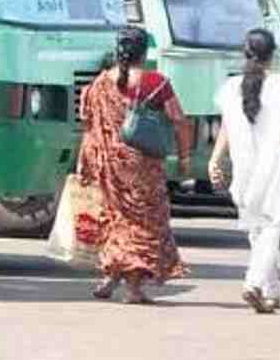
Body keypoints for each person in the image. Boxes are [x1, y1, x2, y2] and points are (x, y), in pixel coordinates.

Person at [73, 26, 191, 305]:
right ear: (144, 52)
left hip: (108, 168)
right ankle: (134, 288)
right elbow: (179, 120)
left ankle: (111, 276)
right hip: (142, 169)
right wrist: (184, 158)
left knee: (114, 219)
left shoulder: (99, 83)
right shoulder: (155, 82)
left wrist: (84, 162)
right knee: (143, 224)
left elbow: (88, 125)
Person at [208, 28, 280, 314]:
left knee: (258, 229)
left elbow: (226, 128)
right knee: (272, 226)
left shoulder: (231, 87)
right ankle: (254, 283)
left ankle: (271, 291)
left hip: (244, 168)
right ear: (273, 54)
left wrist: (215, 159)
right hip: (278, 166)